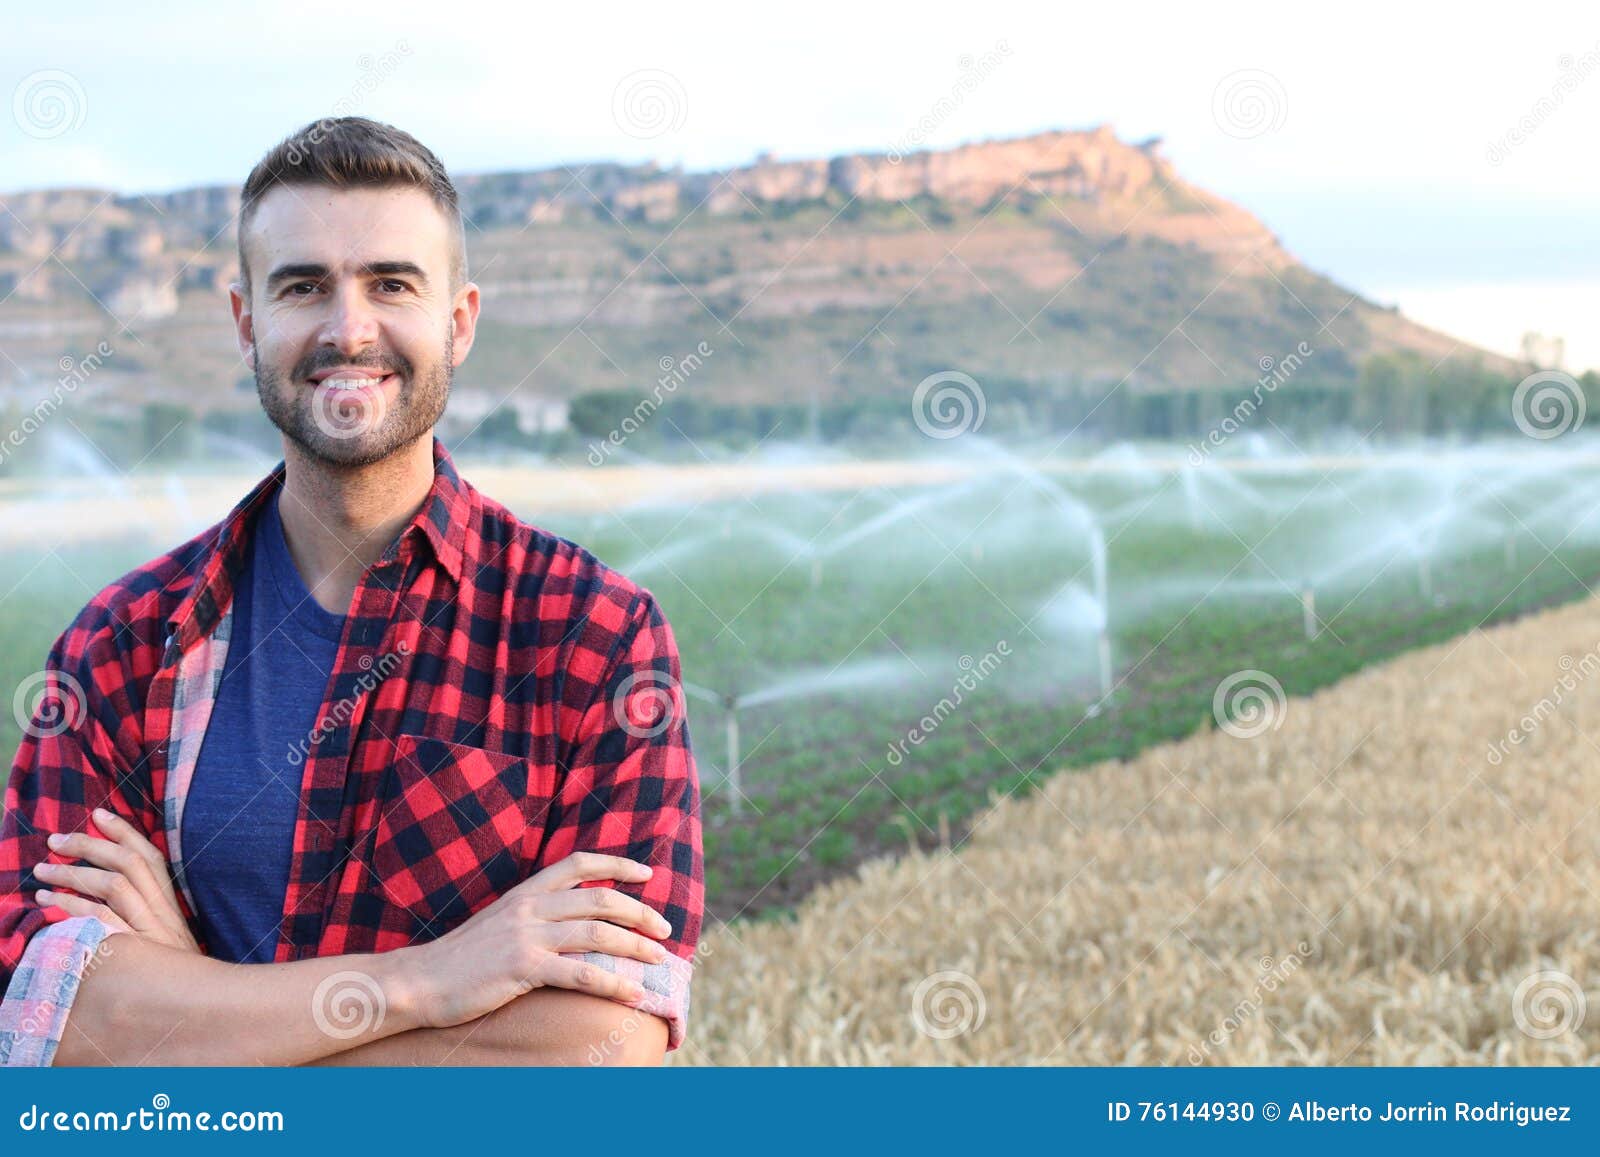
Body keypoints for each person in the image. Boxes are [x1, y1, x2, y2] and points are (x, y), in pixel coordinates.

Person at [0, 117, 703, 1066]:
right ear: (247, 321)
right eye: (302, 287)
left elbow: (606, 1045)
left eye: (391, 284)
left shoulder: (594, 636)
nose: (347, 328)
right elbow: (48, 1028)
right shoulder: (118, 647)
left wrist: (192, 1005)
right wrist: (431, 978)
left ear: (458, 321)